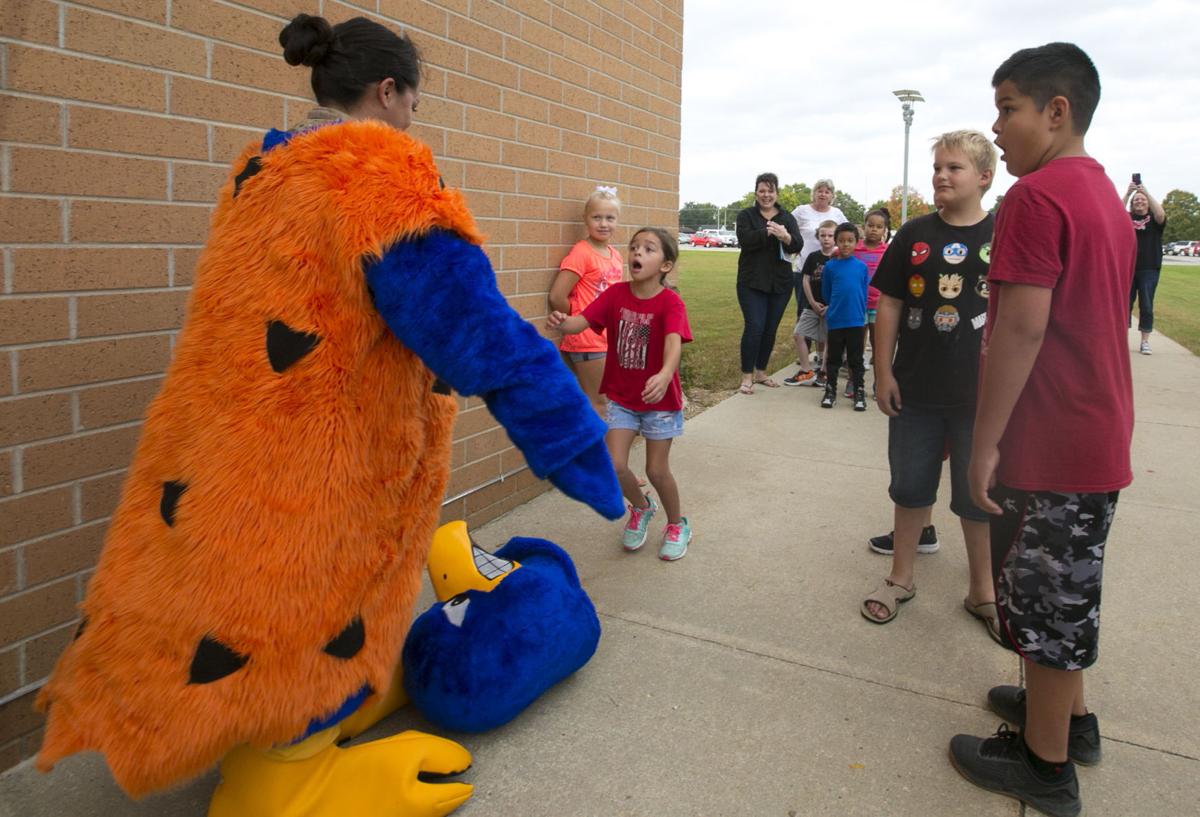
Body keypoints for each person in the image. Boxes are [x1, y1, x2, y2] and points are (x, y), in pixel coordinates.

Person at [34, 14, 624, 817]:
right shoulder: (380, 182)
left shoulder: (263, 173)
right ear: (387, 91)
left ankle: (280, 718)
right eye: (413, 100)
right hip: (327, 465)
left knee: (251, 606)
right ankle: (288, 775)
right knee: (312, 595)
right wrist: (581, 452)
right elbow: (483, 338)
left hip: (220, 447)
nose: (415, 118)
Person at [951, 43, 1135, 817]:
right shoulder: (1101, 195)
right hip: (1096, 435)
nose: (997, 128)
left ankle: (1046, 765)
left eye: (1008, 108)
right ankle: (1072, 720)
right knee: (1064, 596)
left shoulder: (1036, 197)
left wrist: (985, 442)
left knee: (1048, 604)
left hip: (1054, 440)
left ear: (1056, 112)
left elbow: (1020, 331)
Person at [861, 130, 998, 636]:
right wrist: (883, 370)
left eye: (954, 168)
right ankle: (900, 578)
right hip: (915, 388)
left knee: (976, 490)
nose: (941, 175)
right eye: (937, 166)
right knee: (911, 484)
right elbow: (891, 302)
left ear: (984, 177)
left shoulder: (1004, 233)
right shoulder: (915, 233)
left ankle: (982, 589)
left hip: (981, 394)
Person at [548, 228, 694, 561]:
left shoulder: (670, 302)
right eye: (634, 247)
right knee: (613, 465)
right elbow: (581, 322)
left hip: (659, 401)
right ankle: (641, 508)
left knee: (657, 471)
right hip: (622, 398)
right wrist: (562, 321)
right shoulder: (615, 295)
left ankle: (676, 523)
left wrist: (665, 373)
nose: (637, 253)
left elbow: (673, 342)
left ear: (666, 265)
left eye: (648, 249)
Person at [549, 186, 626, 415]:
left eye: (610, 218)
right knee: (600, 403)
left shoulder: (616, 255)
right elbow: (557, 296)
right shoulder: (582, 253)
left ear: (617, 221)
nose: (603, 223)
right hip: (587, 341)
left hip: (607, 338)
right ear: (586, 219)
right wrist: (576, 320)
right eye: (597, 217)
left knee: (605, 401)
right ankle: (601, 452)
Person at [735, 172, 803, 394]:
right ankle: (747, 376)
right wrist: (768, 232)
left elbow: (797, 244)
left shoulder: (786, 217)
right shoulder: (746, 215)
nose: (766, 195)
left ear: (776, 193)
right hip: (751, 281)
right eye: (762, 190)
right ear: (756, 192)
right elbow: (745, 240)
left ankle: (761, 372)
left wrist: (785, 237)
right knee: (755, 326)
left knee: (770, 329)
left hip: (780, 283)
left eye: (770, 191)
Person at [819, 223, 869, 410]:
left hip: (856, 320)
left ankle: (859, 391)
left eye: (850, 241)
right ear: (836, 242)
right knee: (833, 359)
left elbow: (863, 292)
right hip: (836, 320)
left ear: (857, 242)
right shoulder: (830, 267)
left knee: (856, 359)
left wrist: (858, 312)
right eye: (841, 241)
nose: (846, 244)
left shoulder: (861, 267)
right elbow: (826, 292)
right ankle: (830, 390)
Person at [784, 220, 837, 386]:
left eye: (830, 235)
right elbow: (805, 280)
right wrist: (812, 302)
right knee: (799, 334)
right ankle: (806, 370)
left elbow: (841, 285)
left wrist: (831, 305)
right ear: (818, 236)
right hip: (812, 306)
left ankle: (824, 372)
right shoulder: (813, 256)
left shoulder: (839, 259)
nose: (826, 239)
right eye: (823, 235)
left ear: (836, 237)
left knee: (829, 339)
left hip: (831, 308)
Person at [1122, 180, 1166, 354]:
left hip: (1149, 269)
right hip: (1129, 268)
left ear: (1148, 202)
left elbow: (1161, 214)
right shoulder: (1127, 218)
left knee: (1146, 305)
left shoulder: (1154, 221)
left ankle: (1145, 342)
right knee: (1124, 304)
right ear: (1132, 205)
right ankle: (1122, 341)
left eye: (1143, 200)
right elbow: (1115, 211)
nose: (1139, 202)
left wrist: (1146, 192)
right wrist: (1128, 193)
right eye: (1136, 200)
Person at [855, 208, 891, 384]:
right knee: (857, 344)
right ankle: (856, 381)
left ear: (885, 230)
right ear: (864, 227)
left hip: (878, 305)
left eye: (879, 226)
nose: (874, 229)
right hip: (858, 304)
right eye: (870, 225)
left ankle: (879, 382)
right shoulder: (855, 248)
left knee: (878, 346)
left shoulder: (888, 252)